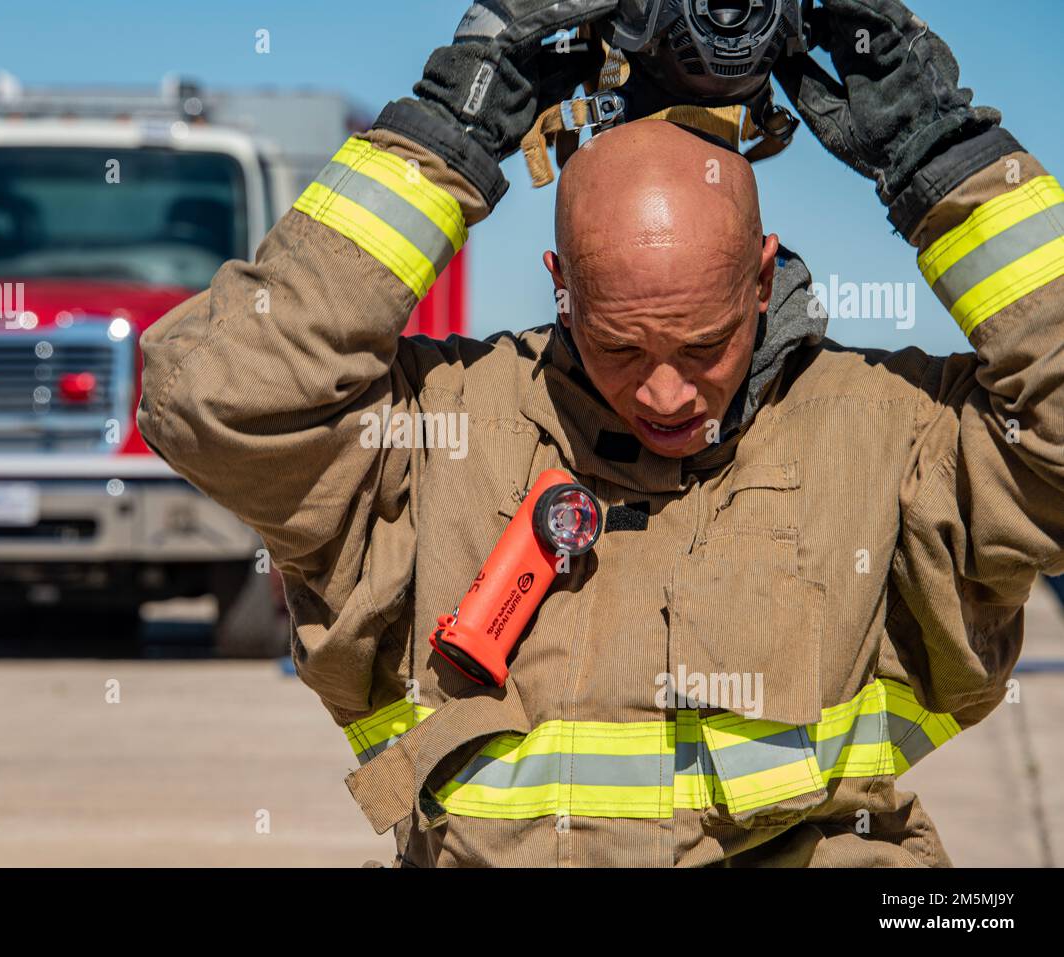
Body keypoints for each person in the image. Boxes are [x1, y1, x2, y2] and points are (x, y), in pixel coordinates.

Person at [137, 0, 1064, 866]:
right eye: (621, 344)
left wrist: (938, 152)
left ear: (760, 276)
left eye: (706, 343)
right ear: (559, 285)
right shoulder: (444, 433)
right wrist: (450, 129)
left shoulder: (885, 437)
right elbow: (219, 399)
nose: (664, 393)